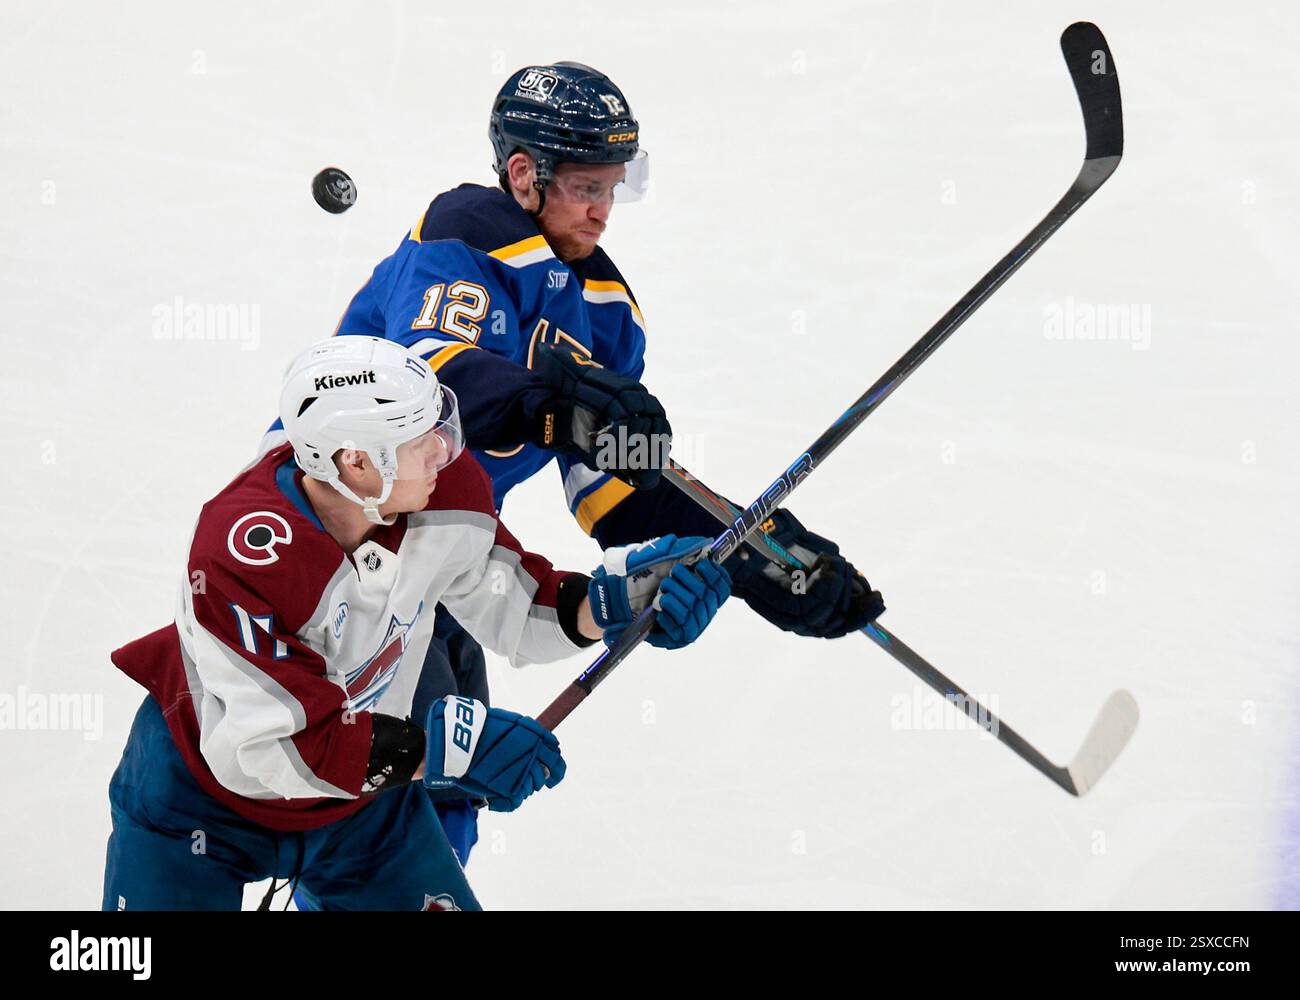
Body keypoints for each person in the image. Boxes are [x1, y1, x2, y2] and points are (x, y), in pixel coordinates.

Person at [260, 62, 885, 881]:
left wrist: (759, 557)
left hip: (449, 565)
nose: (602, 208)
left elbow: (618, 493)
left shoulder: (609, 314)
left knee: (448, 796)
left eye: (613, 187)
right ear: (524, 176)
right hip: (330, 541)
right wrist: (553, 405)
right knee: (382, 803)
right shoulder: (466, 230)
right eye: (585, 185)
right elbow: (431, 373)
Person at [103, 336, 730, 910]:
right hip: (200, 806)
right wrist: (452, 748)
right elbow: (281, 745)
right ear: (353, 462)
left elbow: (516, 600)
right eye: (415, 436)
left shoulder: (443, 489)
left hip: (362, 812)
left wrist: (618, 603)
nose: (443, 449)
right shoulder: (243, 551)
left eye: (438, 422)